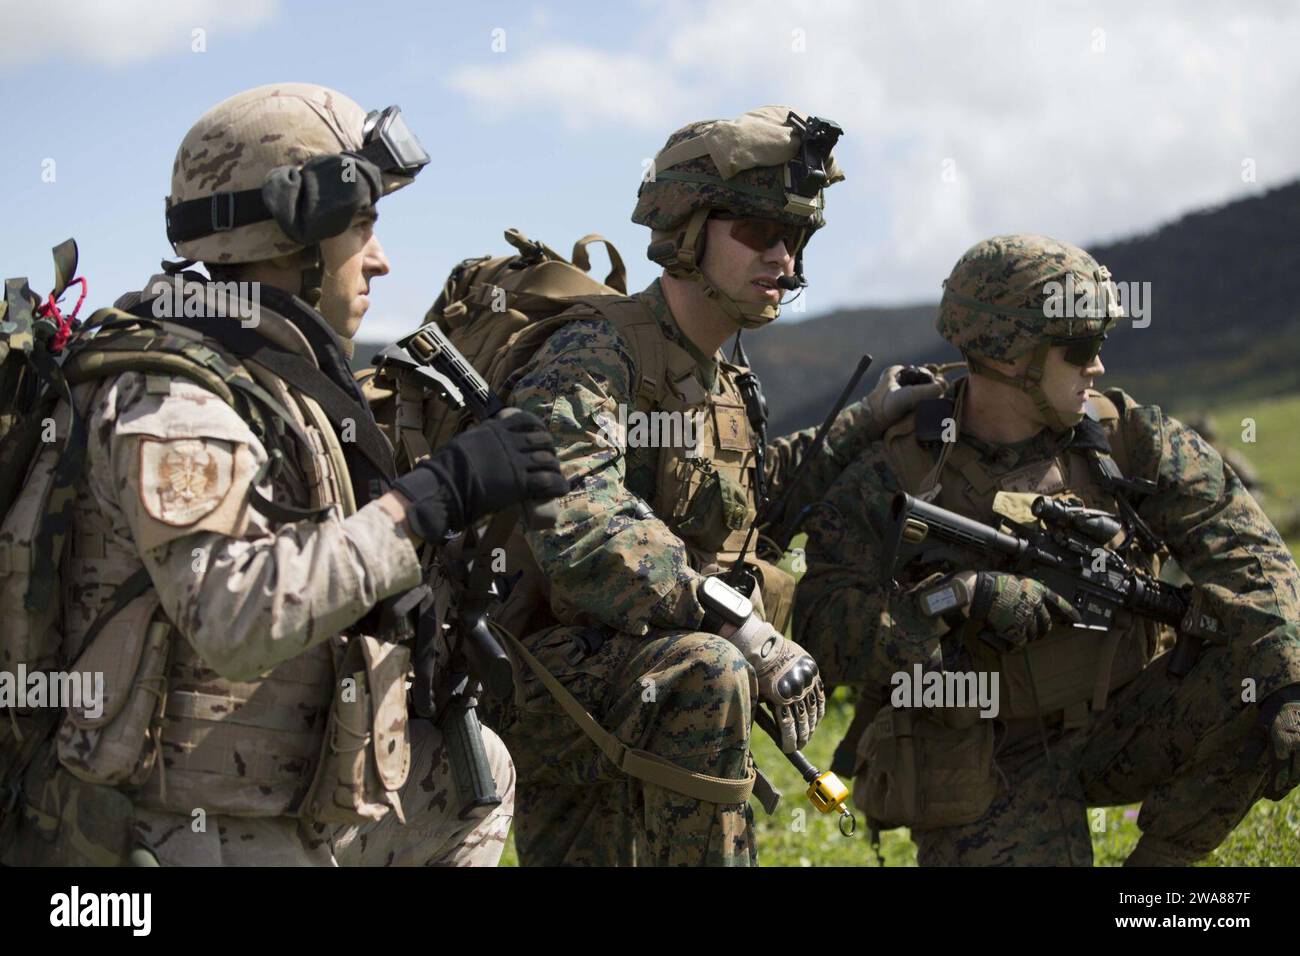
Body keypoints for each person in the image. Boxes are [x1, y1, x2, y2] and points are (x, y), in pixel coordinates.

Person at [0, 83, 565, 866]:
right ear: (297, 236)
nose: (381, 257)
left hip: (268, 798)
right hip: (162, 827)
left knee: (473, 779)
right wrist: (429, 499)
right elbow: (234, 619)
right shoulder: (175, 399)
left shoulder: (269, 381)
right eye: (362, 227)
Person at [486, 106, 941, 866]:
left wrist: (868, 420)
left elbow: (749, 499)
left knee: (707, 671)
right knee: (712, 669)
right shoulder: (596, 350)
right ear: (688, 230)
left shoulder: (725, 377)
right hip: (548, 676)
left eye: (796, 238)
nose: (785, 260)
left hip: (653, 674)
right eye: (761, 233)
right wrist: (741, 627)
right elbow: (573, 511)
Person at [794, 233, 1300, 866]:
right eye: (1081, 349)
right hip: (985, 755)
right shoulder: (896, 470)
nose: (1098, 367)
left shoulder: (1128, 439)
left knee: (1281, 655)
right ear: (1013, 356)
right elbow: (820, 623)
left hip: (1123, 718)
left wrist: (1285, 678)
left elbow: (1253, 558)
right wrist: (957, 603)